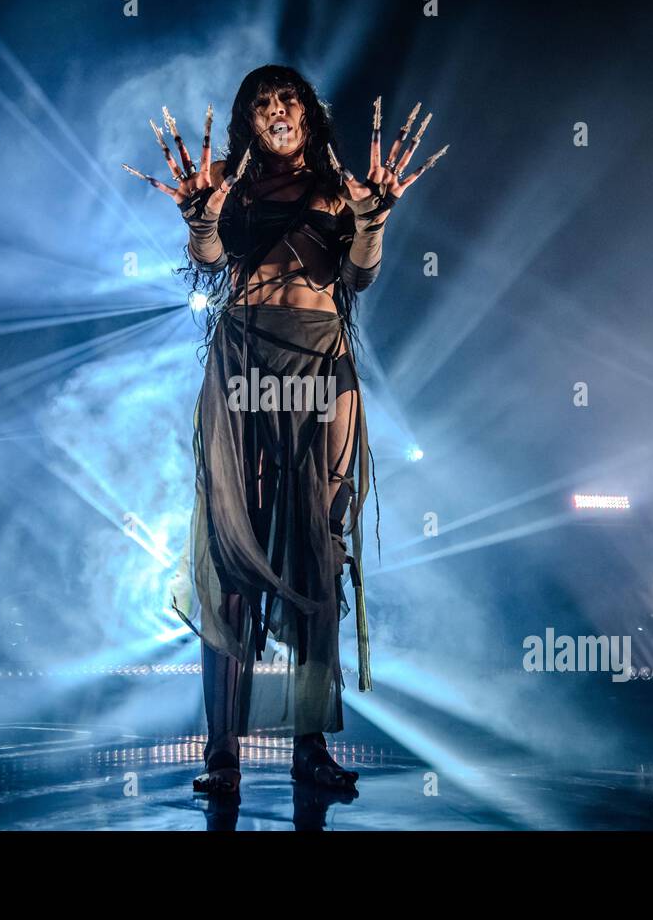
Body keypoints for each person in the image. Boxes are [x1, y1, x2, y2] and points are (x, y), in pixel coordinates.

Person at [122, 65, 446, 793]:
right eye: (263, 102)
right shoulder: (226, 187)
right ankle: (222, 752)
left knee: (317, 552)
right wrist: (201, 221)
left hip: (321, 363)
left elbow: (359, 275)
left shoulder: (342, 190)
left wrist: (376, 221)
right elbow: (208, 257)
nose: (277, 110)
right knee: (236, 548)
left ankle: (308, 747)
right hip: (245, 356)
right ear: (248, 118)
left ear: (307, 114)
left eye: (288, 99)